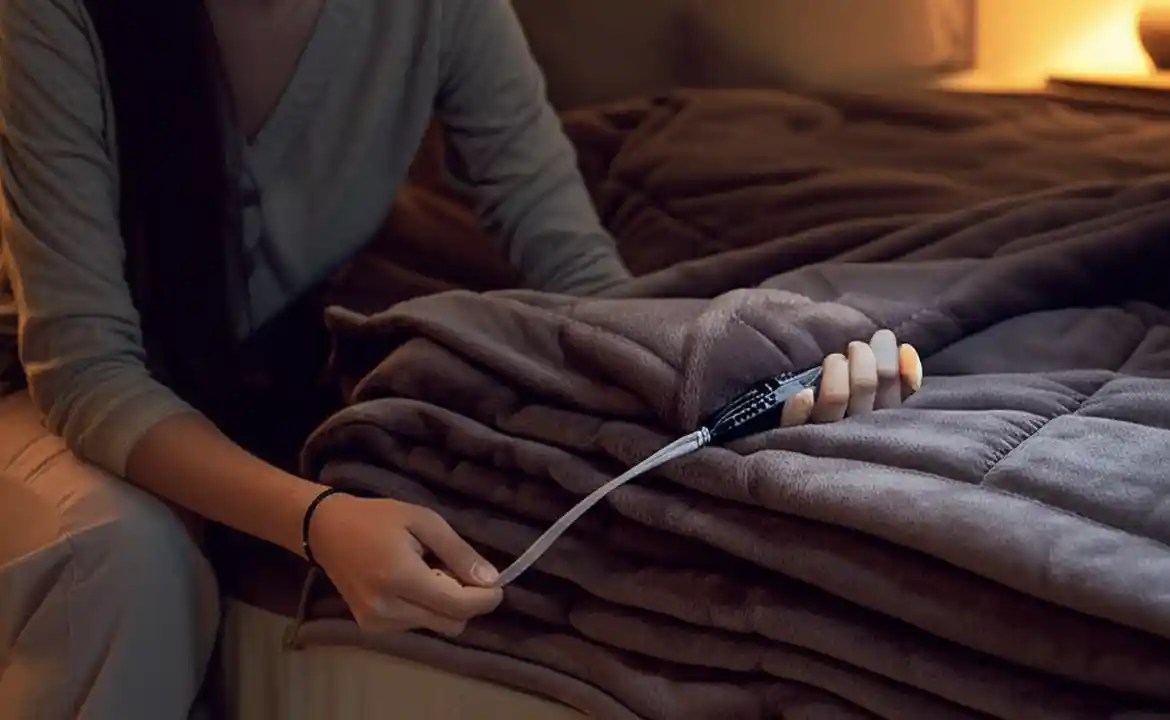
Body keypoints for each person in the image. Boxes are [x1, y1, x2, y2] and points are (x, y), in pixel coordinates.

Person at [0, 1, 922, 717]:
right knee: (125, 557)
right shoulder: (55, 16)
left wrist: (746, 367)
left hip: (261, 376)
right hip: (35, 393)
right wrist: (318, 521)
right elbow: (85, 366)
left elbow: (573, 268)